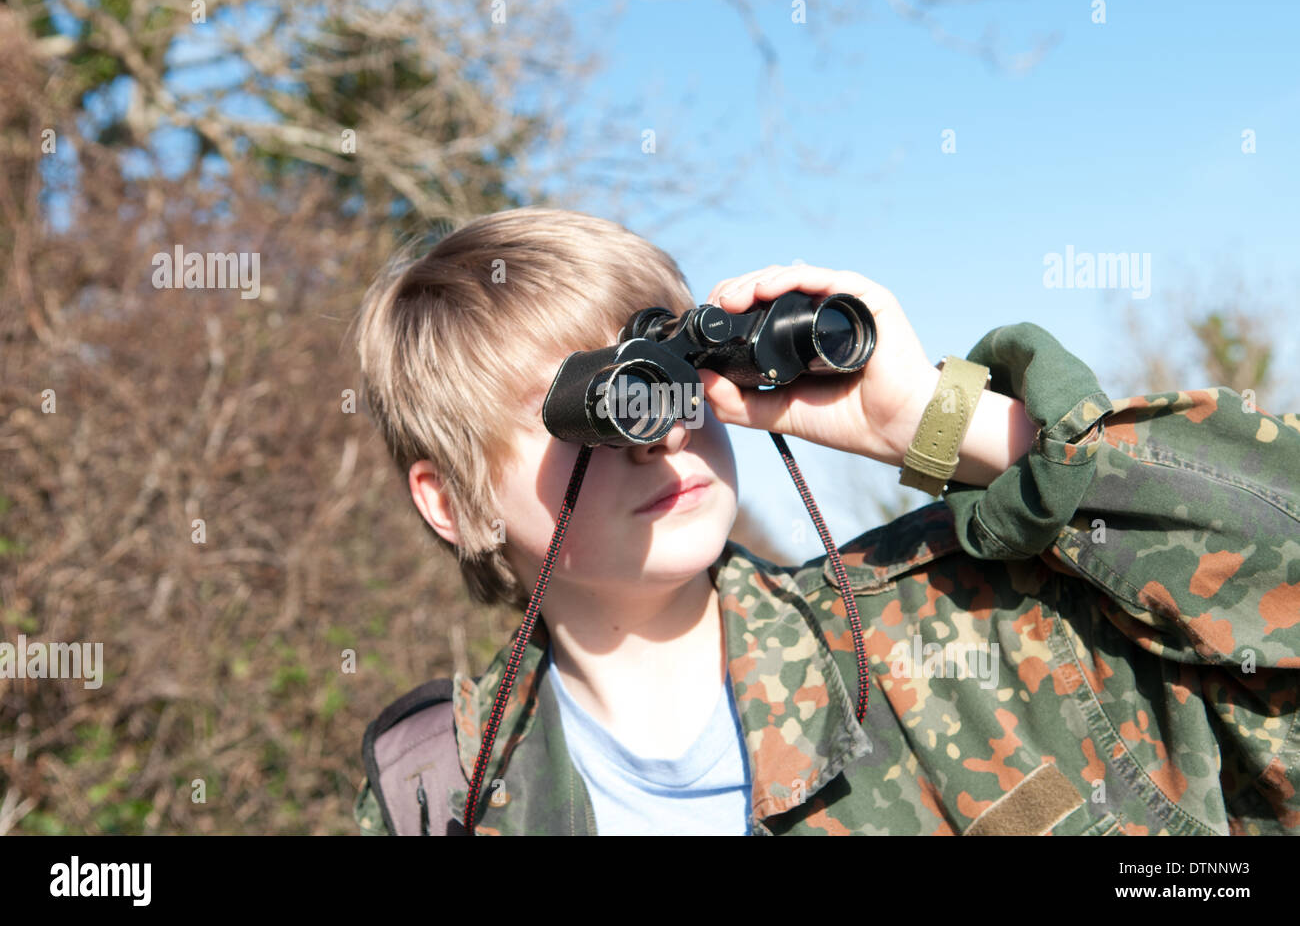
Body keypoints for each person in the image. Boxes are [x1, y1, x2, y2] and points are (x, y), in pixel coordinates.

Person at [349, 206, 1300, 835]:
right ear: (453, 502)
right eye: (596, 401)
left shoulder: (976, 628)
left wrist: (936, 423)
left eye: (666, 370)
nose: (661, 431)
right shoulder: (442, 796)